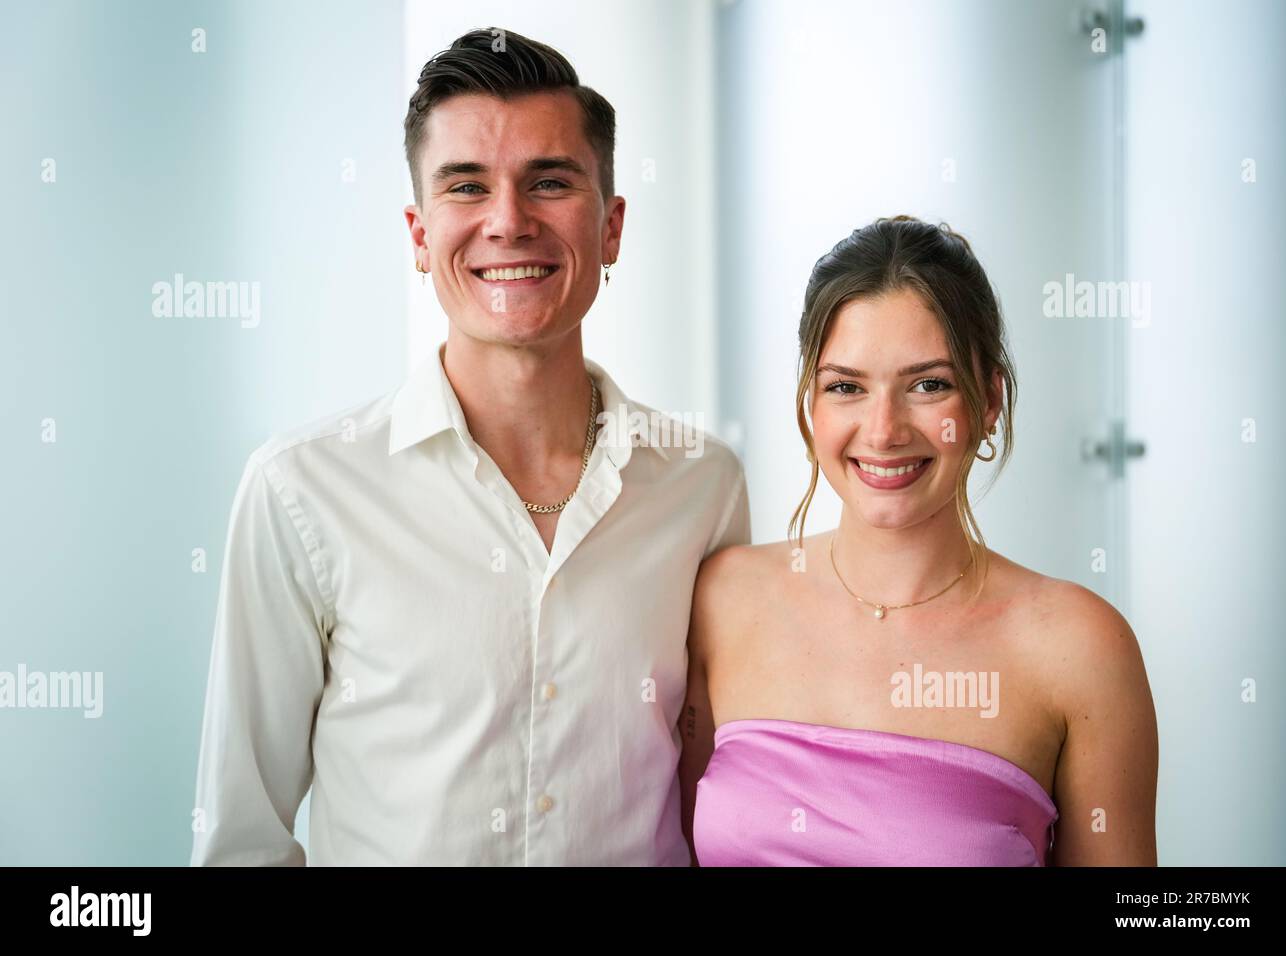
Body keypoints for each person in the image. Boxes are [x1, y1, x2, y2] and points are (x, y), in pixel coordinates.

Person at [190, 27, 749, 866]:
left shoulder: (702, 485)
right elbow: (240, 839)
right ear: (419, 234)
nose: (508, 221)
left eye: (549, 181)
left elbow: (719, 796)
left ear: (611, 227)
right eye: (466, 186)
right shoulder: (300, 491)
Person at [679, 216, 1158, 866]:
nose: (883, 431)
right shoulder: (722, 598)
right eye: (846, 387)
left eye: (928, 385)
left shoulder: (1079, 647)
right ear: (810, 405)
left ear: (989, 399)